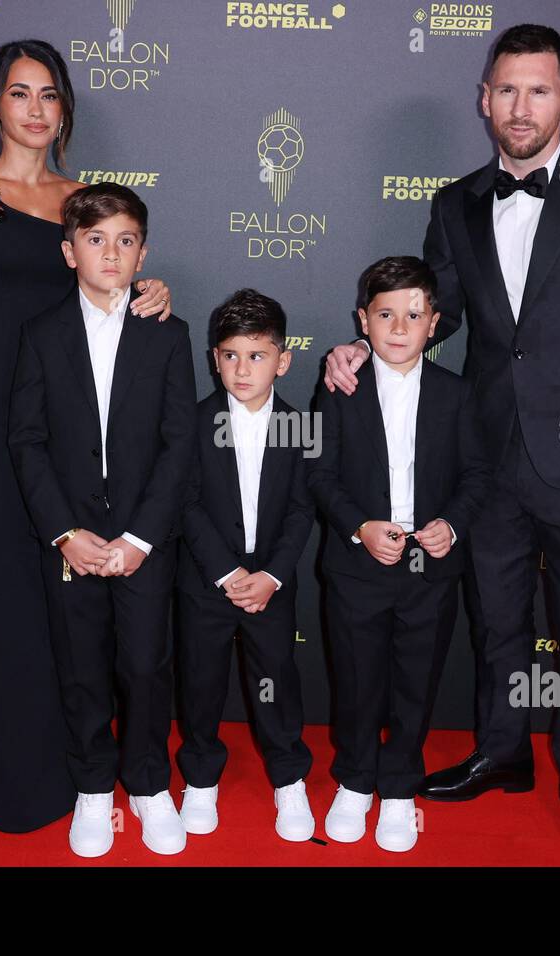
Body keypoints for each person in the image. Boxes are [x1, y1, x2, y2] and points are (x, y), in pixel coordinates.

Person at [322, 24, 560, 861]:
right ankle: (504, 751)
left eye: (539, 90)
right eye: (506, 90)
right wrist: (360, 349)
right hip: (488, 459)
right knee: (498, 622)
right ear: (484, 100)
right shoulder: (456, 202)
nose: (521, 107)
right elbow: (424, 316)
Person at [0, 39, 174, 834]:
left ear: (64, 109)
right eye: (19, 94)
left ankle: (87, 781)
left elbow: (108, 272)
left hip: (69, 437)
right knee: (5, 611)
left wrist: (149, 289)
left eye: (49, 95)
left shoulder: (82, 203)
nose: (35, 109)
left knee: (74, 614)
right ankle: (14, 786)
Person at [7, 182, 197, 858]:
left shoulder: (169, 335)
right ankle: (92, 784)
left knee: (145, 664)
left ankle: (148, 784)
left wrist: (142, 538)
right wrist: (63, 530)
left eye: (124, 241)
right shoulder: (41, 335)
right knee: (81, 665)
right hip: (72, 543)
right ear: (69, 252)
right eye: (94, 240)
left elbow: (181, 443)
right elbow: (25, 440)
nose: (110, 253)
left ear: (143, 251)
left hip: (146, 540)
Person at [309, 257, 489, 852]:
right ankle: (356, 781)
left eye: (413, 315)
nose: (398, 326)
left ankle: (399, 786)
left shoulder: (457, 394)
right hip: (357, 565)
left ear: (434, 323)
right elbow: (320, 473)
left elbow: (476, 474)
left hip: (430, 567)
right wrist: (358, 526)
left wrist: (453, 527)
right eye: (385, 314)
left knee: (417, 678)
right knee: (358, 680)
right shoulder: (339, 386)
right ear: (363, 320)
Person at [175, 289, 316, 843]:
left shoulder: (299, 425)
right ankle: (201, 778)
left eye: (257, 355)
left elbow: (304, 509)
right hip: (206, 583)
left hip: (271, 585)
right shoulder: (191, 422)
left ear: (282, 360)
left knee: (276, 680)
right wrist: (226, 573)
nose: (242, 368)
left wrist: (273, 575)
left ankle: (289, 779)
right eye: (230, 354)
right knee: (201, 682)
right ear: (214, 358)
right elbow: (184, 503)